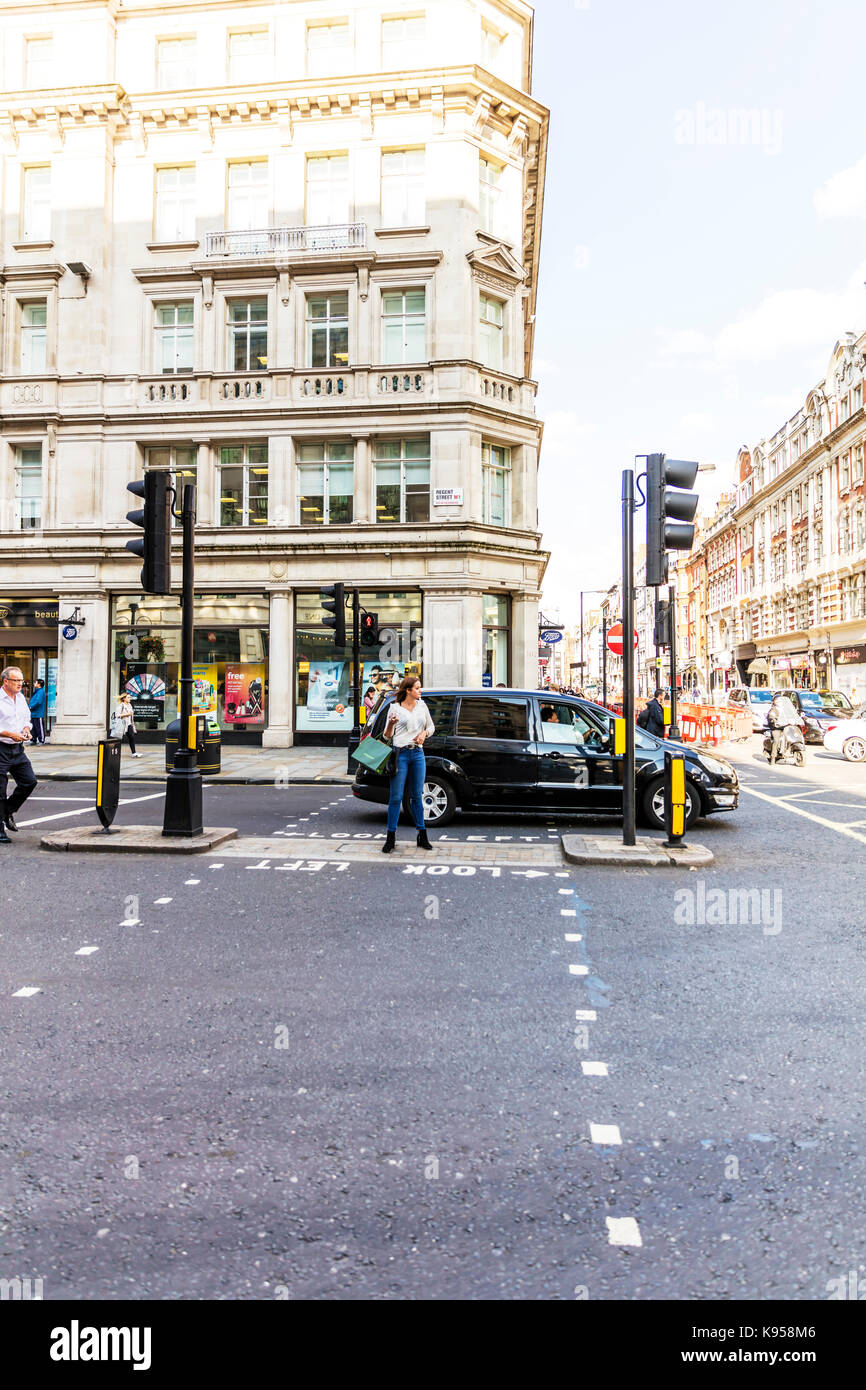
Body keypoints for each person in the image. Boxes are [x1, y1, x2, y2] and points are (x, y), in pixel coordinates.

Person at [381, 675, 435, 854]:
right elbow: (387, 736)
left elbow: (431, 727)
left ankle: (422, 835)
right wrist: (390, 723)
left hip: (417, 754)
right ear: (408, 691)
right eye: (417, 688)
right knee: (396, 797)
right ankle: (390, 837)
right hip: (401, 754)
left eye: (420, 687)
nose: (420, 691)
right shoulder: (394, 708)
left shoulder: (422, 705)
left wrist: (424, 734)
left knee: (416, 796)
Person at [0, 666, 39, 842]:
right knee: (0, 791)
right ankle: (0, 830)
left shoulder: (21, 698)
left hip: (17, 750)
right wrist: (10, 734)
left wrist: (26, 729)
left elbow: (26, 718)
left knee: (29, 781)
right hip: (1, 748)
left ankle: (8, 810)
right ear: (5, 681)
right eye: (16, 680)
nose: (20, 684)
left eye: (21, 681)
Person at [767, 691, 799, 764]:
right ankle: (773, 757)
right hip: (777, 728)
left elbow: (792, 715)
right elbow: (771, 717)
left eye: (780, 700)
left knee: (792, 736)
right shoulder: (773, 710)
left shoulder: (786, 709)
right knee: (776, 741)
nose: (779, 702)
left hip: (786, 726)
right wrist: (774, 720)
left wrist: (796, 719)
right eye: (778, 700)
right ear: (774, 701)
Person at [115, 692, 143, 757]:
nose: (130, 698)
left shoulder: (129, 705)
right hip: (122, 725)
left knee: (132, 737)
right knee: (118, 738)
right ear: (124, 698)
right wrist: (127, 714)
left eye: (130, 697)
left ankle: (134, 753)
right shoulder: (121, 706)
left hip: (129, 724)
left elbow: (131, 715)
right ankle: (114, 751)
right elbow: (117, 715)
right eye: (128, 697)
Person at [28, 678, 47, 745]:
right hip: (33, 713)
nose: (34, 684)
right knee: (33, 728)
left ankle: (41, 740)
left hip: (38, 713)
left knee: (39, 727)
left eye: (35, 682)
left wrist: (31, 706)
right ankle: (33, 740)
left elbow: (38, 702)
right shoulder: (37, 691)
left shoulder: (41, 691)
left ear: (39, 684)